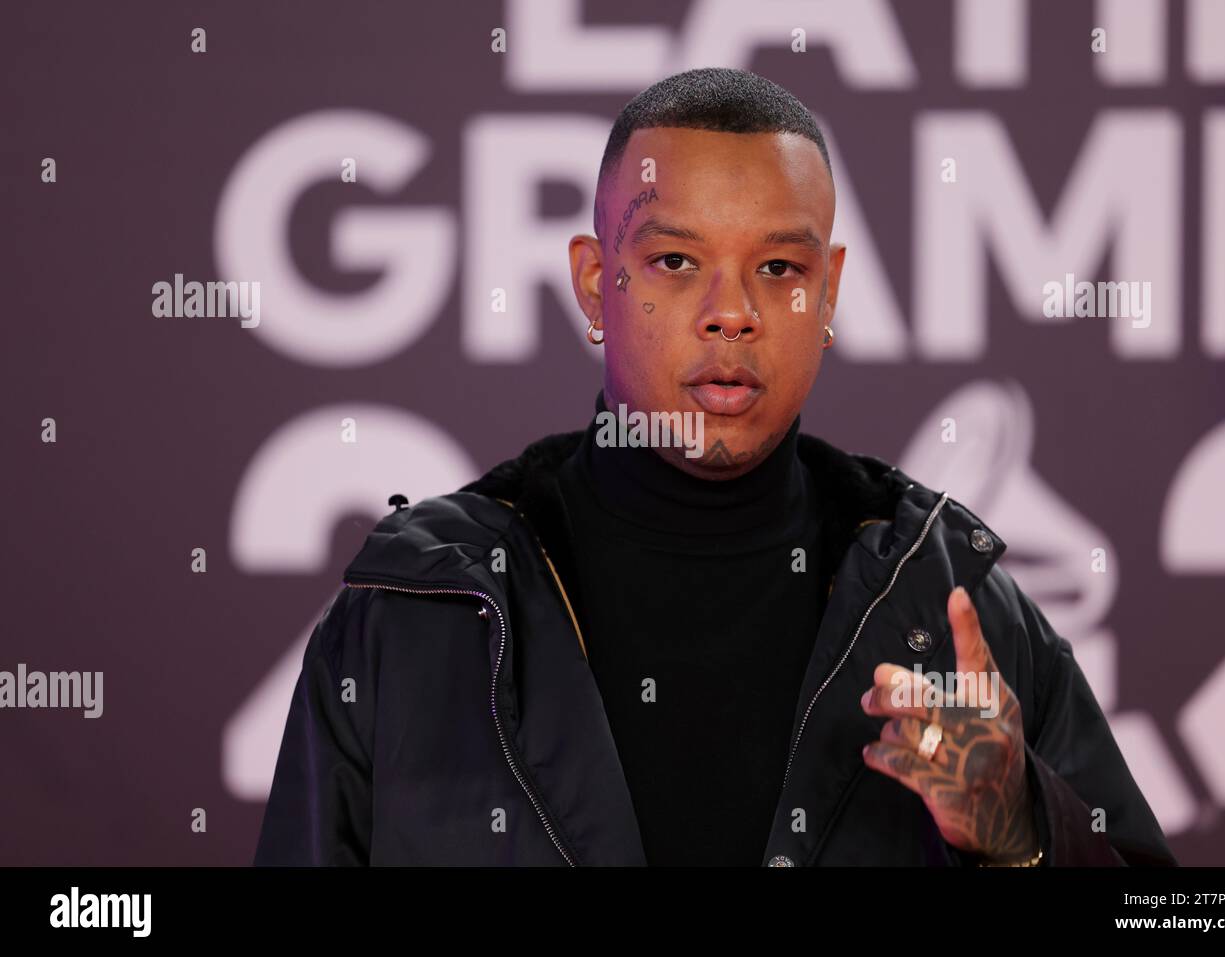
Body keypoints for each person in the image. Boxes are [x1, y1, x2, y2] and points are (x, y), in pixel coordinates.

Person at [253, 67, 1175, 867]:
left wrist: (1023, 831)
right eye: (676, 260)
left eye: (778, 268)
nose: (730, 312)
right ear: (593, 284)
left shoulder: (956, 610)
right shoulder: (412, 614)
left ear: (830, 293)